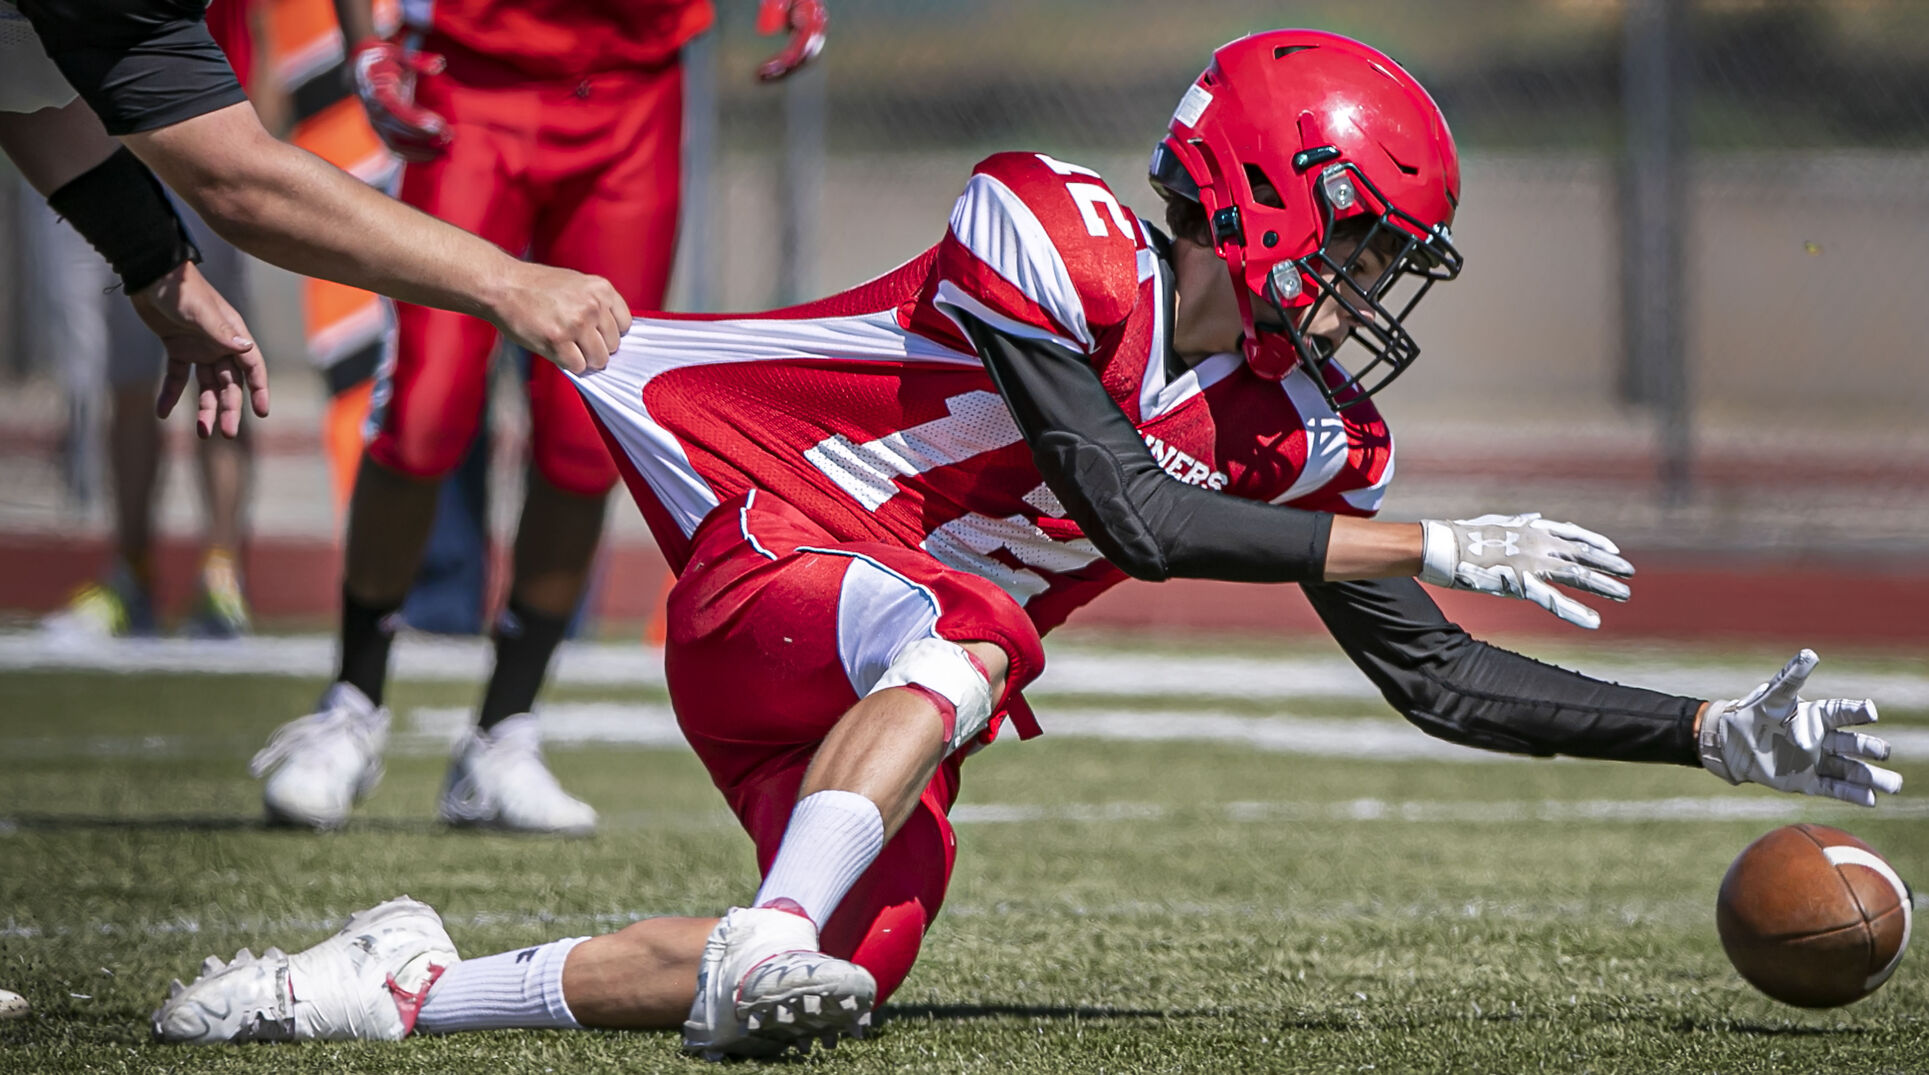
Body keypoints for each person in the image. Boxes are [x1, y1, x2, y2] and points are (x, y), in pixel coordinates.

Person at [149, 30, 1900, 1061]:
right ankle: (762, 917)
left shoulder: (1306, 428)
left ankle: (402, 986)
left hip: (869, 675)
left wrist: (1695, 728)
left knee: (858, 951)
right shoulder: (1047, 228)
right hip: (776, 558)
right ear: (1273, 193)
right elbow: (1127, 511)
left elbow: (1435, 682)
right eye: (1364, 245)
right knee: (975, 623)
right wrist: (1423, 529)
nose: (1371, 291)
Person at [239, 0, 829, 836]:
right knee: (423, 412)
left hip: (632, 90)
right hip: (472, 83)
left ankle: (503, 730)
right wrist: (366, 42)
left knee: (591, 428)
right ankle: (352, 703)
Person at [35, 0, 265, 639]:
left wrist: (255, 165)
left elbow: (259, 33)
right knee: (129, 378)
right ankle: (131, 569)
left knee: (224, 360)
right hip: (99, 141)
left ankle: (221, 574)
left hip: (208, 143)